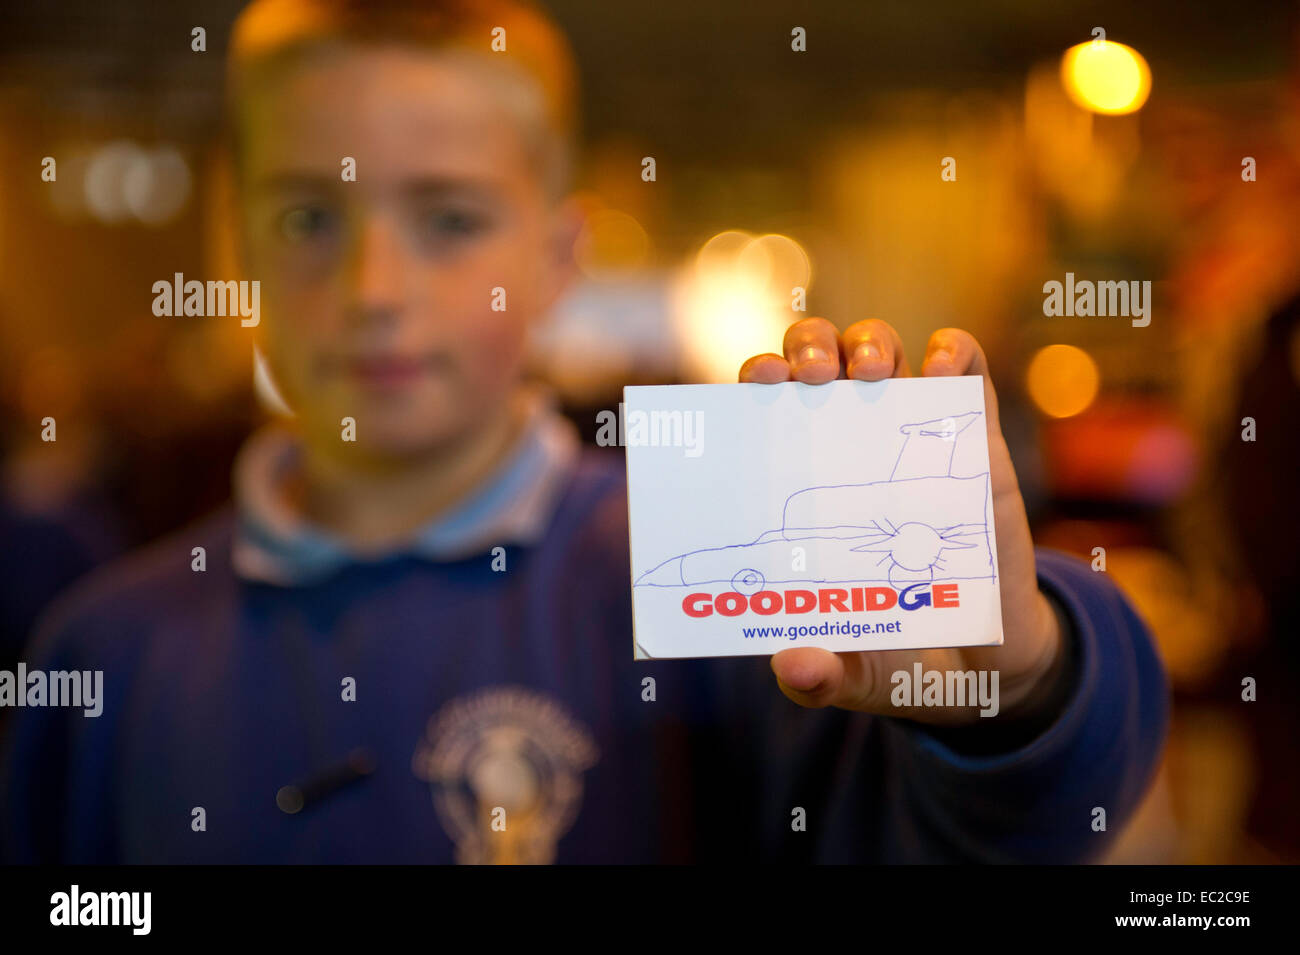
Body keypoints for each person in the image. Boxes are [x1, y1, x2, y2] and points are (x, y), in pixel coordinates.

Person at [0, 0, 1167, 864]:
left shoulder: (713, 582)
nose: (372, 284)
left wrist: (1026, 690)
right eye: (310, 215)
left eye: (448, 218)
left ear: (558, 261)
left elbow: (991, 825)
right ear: (239, 245)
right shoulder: (105, 654)